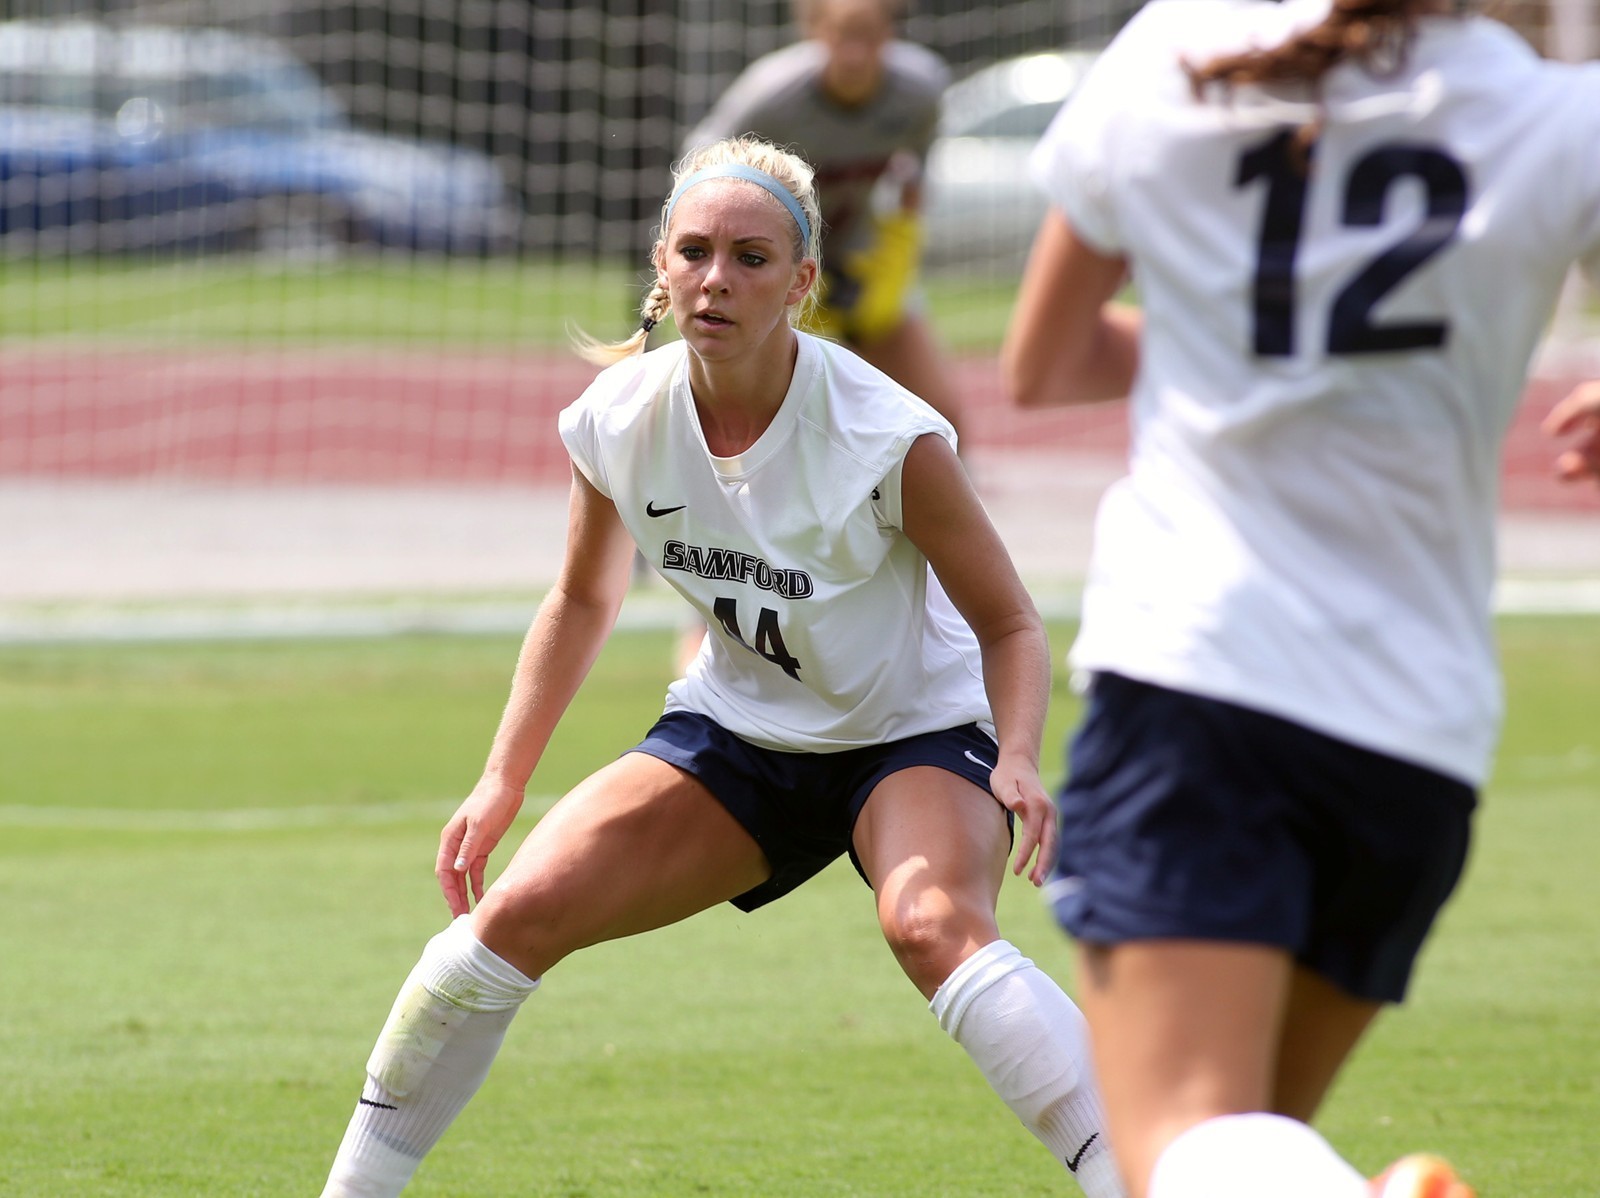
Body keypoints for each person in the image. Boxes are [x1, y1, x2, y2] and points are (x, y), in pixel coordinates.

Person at [318, 136, 1123, 1198]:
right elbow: (581, 599)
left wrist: (1017, 754)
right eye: (694, 251)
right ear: (661, 265)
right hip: (738, 735)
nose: (716, 277)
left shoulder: (885, 434)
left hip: (913, 734)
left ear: (801, 284)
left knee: (929, 926)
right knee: (505, 921)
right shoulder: (618, 417)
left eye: (750, 258)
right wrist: (501, 778)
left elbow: (1011, 622)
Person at [999, 1, 1600, 1197]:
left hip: (1201, 680)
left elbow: (1044, 360)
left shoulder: (1174, 52)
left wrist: (1212, 353)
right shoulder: (1556, 117)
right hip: (1414, 733)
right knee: (1235, 1149)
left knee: (1177, 1146)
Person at [681, 0, 964, 443]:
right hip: (771, 265)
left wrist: (895, 262)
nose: (855, 52)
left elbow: (914, 181)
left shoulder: (921, 92)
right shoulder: (770, 97)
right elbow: (698, 165)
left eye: (867, 35)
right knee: (764, 416)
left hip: (858, 258)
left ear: (890, 33)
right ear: (814, 34)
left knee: (942, 422)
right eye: (842, 35)